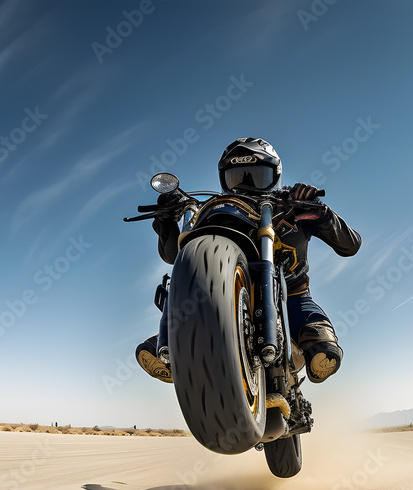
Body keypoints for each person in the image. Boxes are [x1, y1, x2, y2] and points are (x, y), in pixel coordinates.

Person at [136, 137, 361, 384]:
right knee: (178, 314)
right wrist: (167, 220)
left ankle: (314, 345)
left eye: (256, 176)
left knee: (322, 347)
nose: (246, 185)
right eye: (238, 177)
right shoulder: (217, 212)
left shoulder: (294, 209)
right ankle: (175, 346)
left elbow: (350, 246)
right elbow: (172, 256)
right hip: (226, 291)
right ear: (224, 180)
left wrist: (323, 214)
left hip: (292, 294)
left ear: (274, 177)